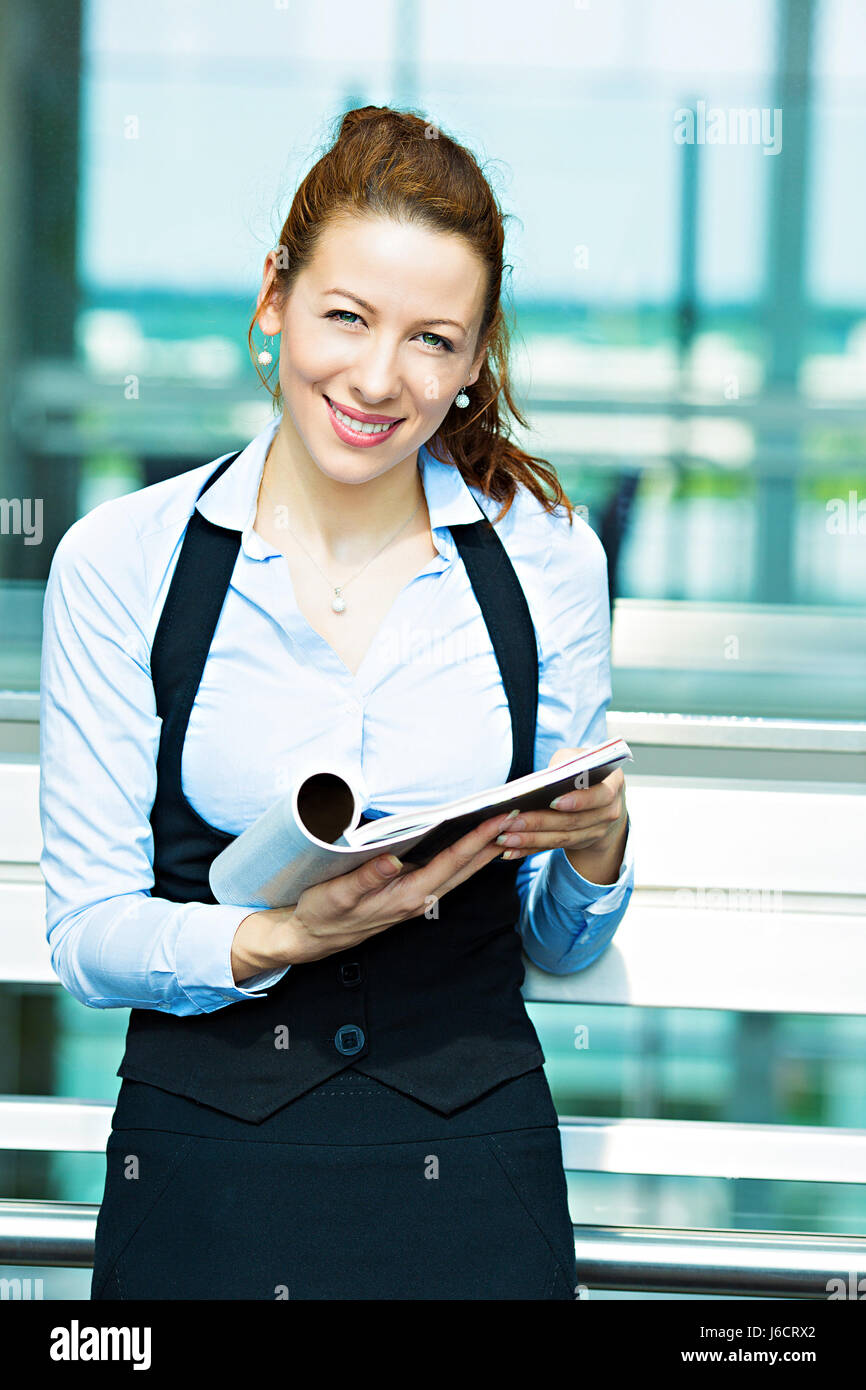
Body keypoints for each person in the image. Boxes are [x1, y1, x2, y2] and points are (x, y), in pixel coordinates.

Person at [39, 105, 634, 1301]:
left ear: (472, 360)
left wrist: (600, 851)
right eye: (345, 317)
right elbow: (87, 930)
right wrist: (276, 940)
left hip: (474, 1177)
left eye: (431, 339)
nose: (376, 378)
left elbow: (558, 941)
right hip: (203, 1180)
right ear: (274, 296)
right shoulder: (124, 561)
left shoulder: (547, 562)